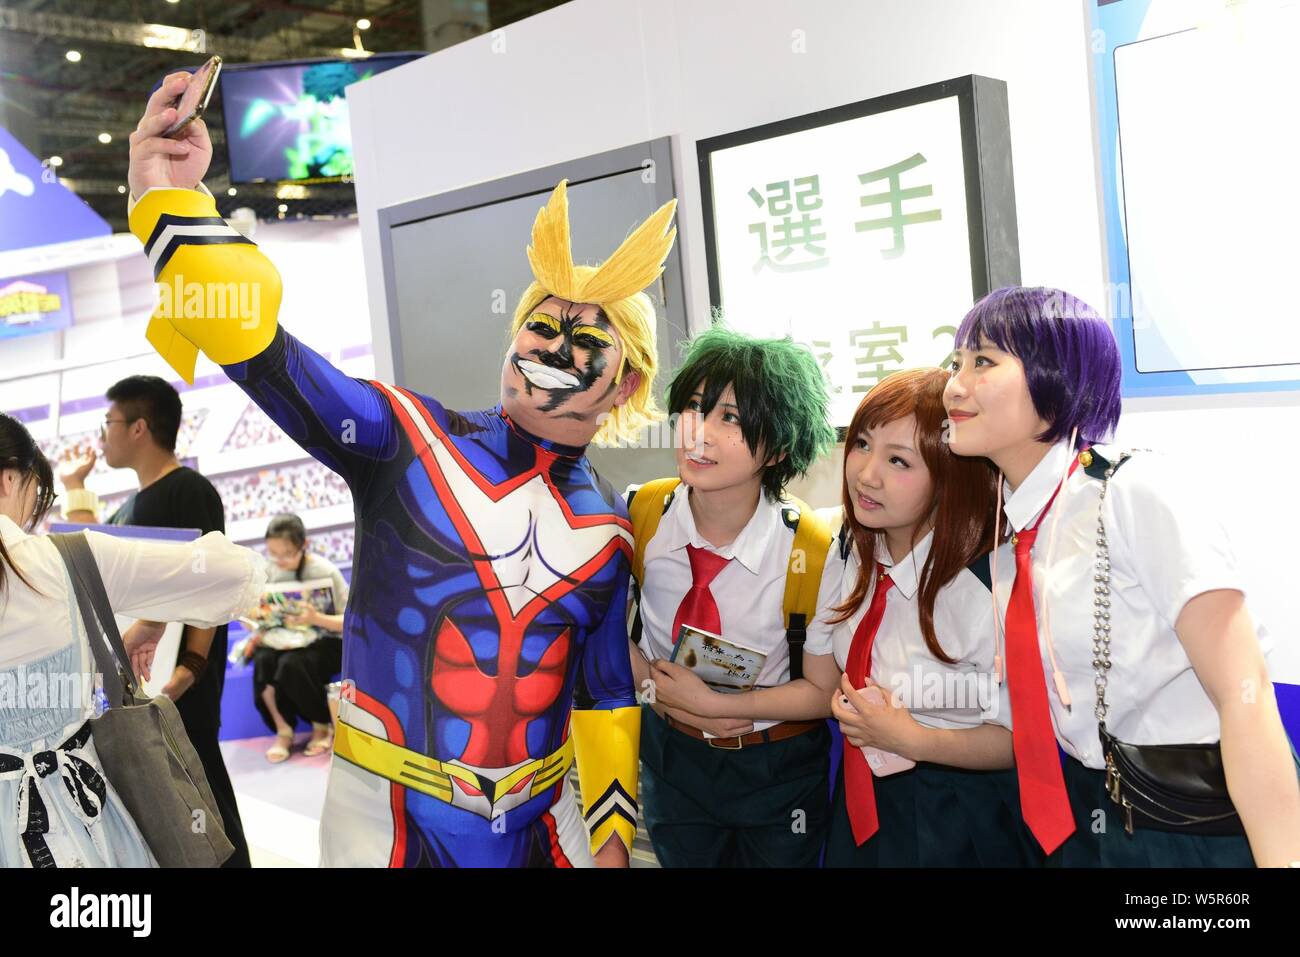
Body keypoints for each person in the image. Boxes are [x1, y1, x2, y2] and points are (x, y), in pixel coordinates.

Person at [124, 72, 676, 867]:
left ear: (627, 381)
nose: (552, 349)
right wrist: (171, 207)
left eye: (585, 341)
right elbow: (266, 358)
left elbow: (604, 693)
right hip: (388, 822)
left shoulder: (609, 527)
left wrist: (615, 841)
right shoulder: (406, 438)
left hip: (548, 826)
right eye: (539, 324)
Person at [944, 285, 1300, 866]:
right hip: (1092, 819)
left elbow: (1245, 692)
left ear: (1055, 378)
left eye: (983, 360)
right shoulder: (1016, 536)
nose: (954, 384)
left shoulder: (1134, 491)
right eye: (954, 362)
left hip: (1188, 823)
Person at [0, 411, 265, 868]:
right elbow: (235, 573)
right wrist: (161, 610)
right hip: (92, 823)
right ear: (9, 479)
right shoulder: (65, 559)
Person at [626, 326, 841, 867]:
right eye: (696, 407)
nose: (701, 432)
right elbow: (603, 630)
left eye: (734, 419)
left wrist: (720, 706)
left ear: (780, 448)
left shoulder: (813, 551)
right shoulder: (639, 514)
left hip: (777, 770)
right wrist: (657, 689)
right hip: (670, 759)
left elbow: (820, 692)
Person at [823, 368, 1038, 866]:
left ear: (949, 476)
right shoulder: (851, 546)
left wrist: (912, 738)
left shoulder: (989, 580)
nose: (866, 474)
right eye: (861, 444)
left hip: (958, 808)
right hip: (861, 791)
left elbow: (1020, 739)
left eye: (898, 460)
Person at [58, 373, 252, 868]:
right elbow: (93, 559)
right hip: (146, 676)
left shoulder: (188, 490)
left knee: (200, 787)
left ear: (139, 427)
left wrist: (191, 667)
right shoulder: (131, 505)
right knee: (164, 791)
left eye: (110, 423)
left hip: (179, 680)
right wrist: (75, 487)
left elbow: (208, 577)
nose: (104, 435)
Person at [249, 513, 347, 763]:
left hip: (325, 641)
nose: (279, 561)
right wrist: (259, 617)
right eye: (274, 554)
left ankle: (321, 724)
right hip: (281, 638)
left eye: (287, 554)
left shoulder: (325, 571)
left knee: (292, 665)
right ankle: (284, 730)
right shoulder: (268, 572)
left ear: (303, 546)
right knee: (263, 660)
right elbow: (252, 611)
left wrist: (316, 619)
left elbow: (349, 622)